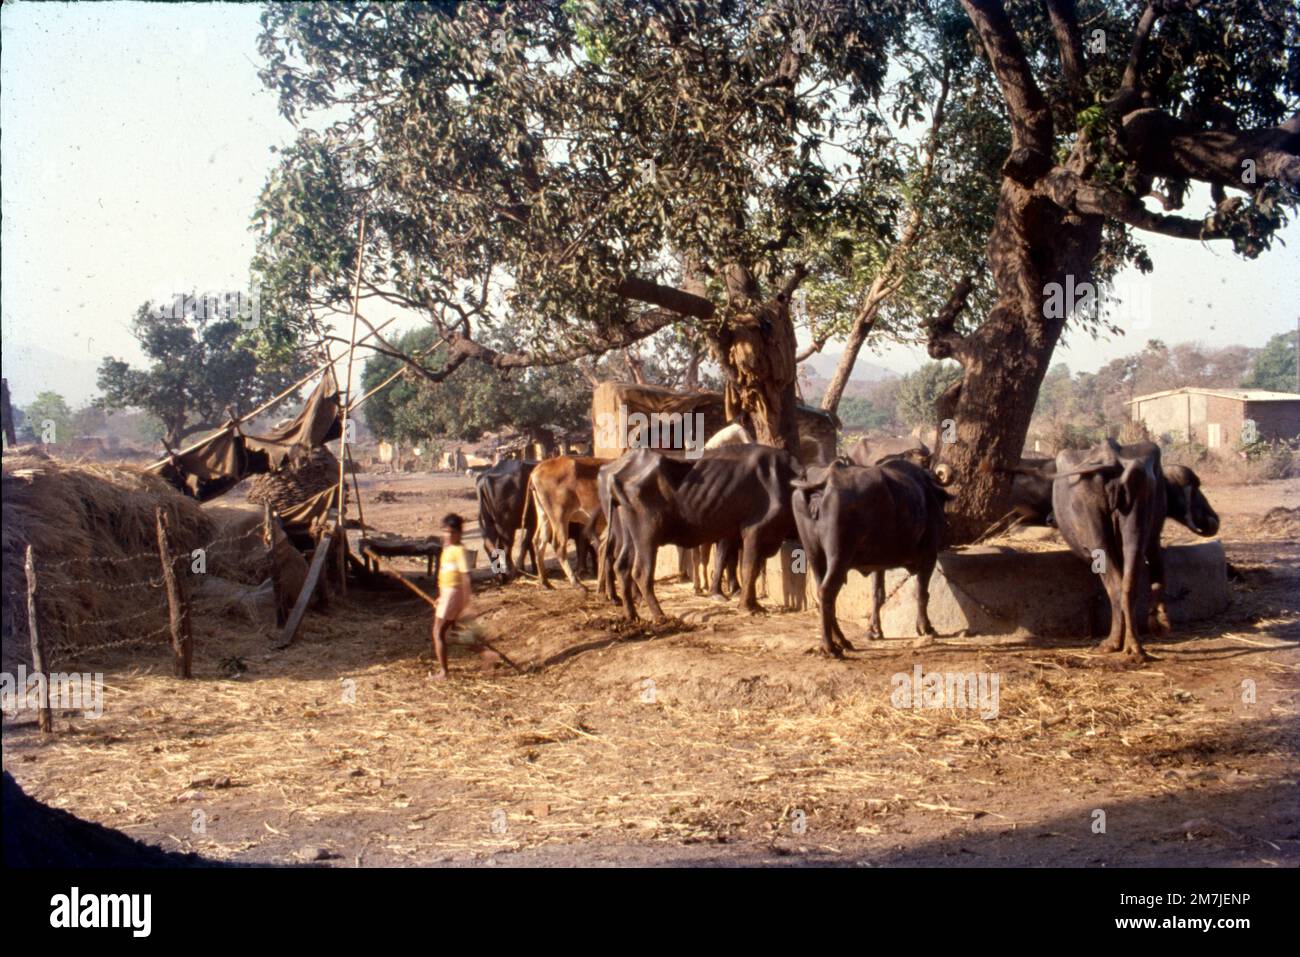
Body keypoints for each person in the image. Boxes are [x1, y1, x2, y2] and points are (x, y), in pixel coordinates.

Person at [432, 512, 473, 680]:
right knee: (499, 543)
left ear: (459, 533)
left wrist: (467, 601)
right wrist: (441, 596)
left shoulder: (458, 550)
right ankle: (500, 571)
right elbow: (446, 575)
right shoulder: (448, 549)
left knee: (438, 631)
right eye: (445, 531)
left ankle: (500, 571)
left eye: (451, 532)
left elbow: (466, 576)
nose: (447, 535)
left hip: (453, 593)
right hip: (449, 593)